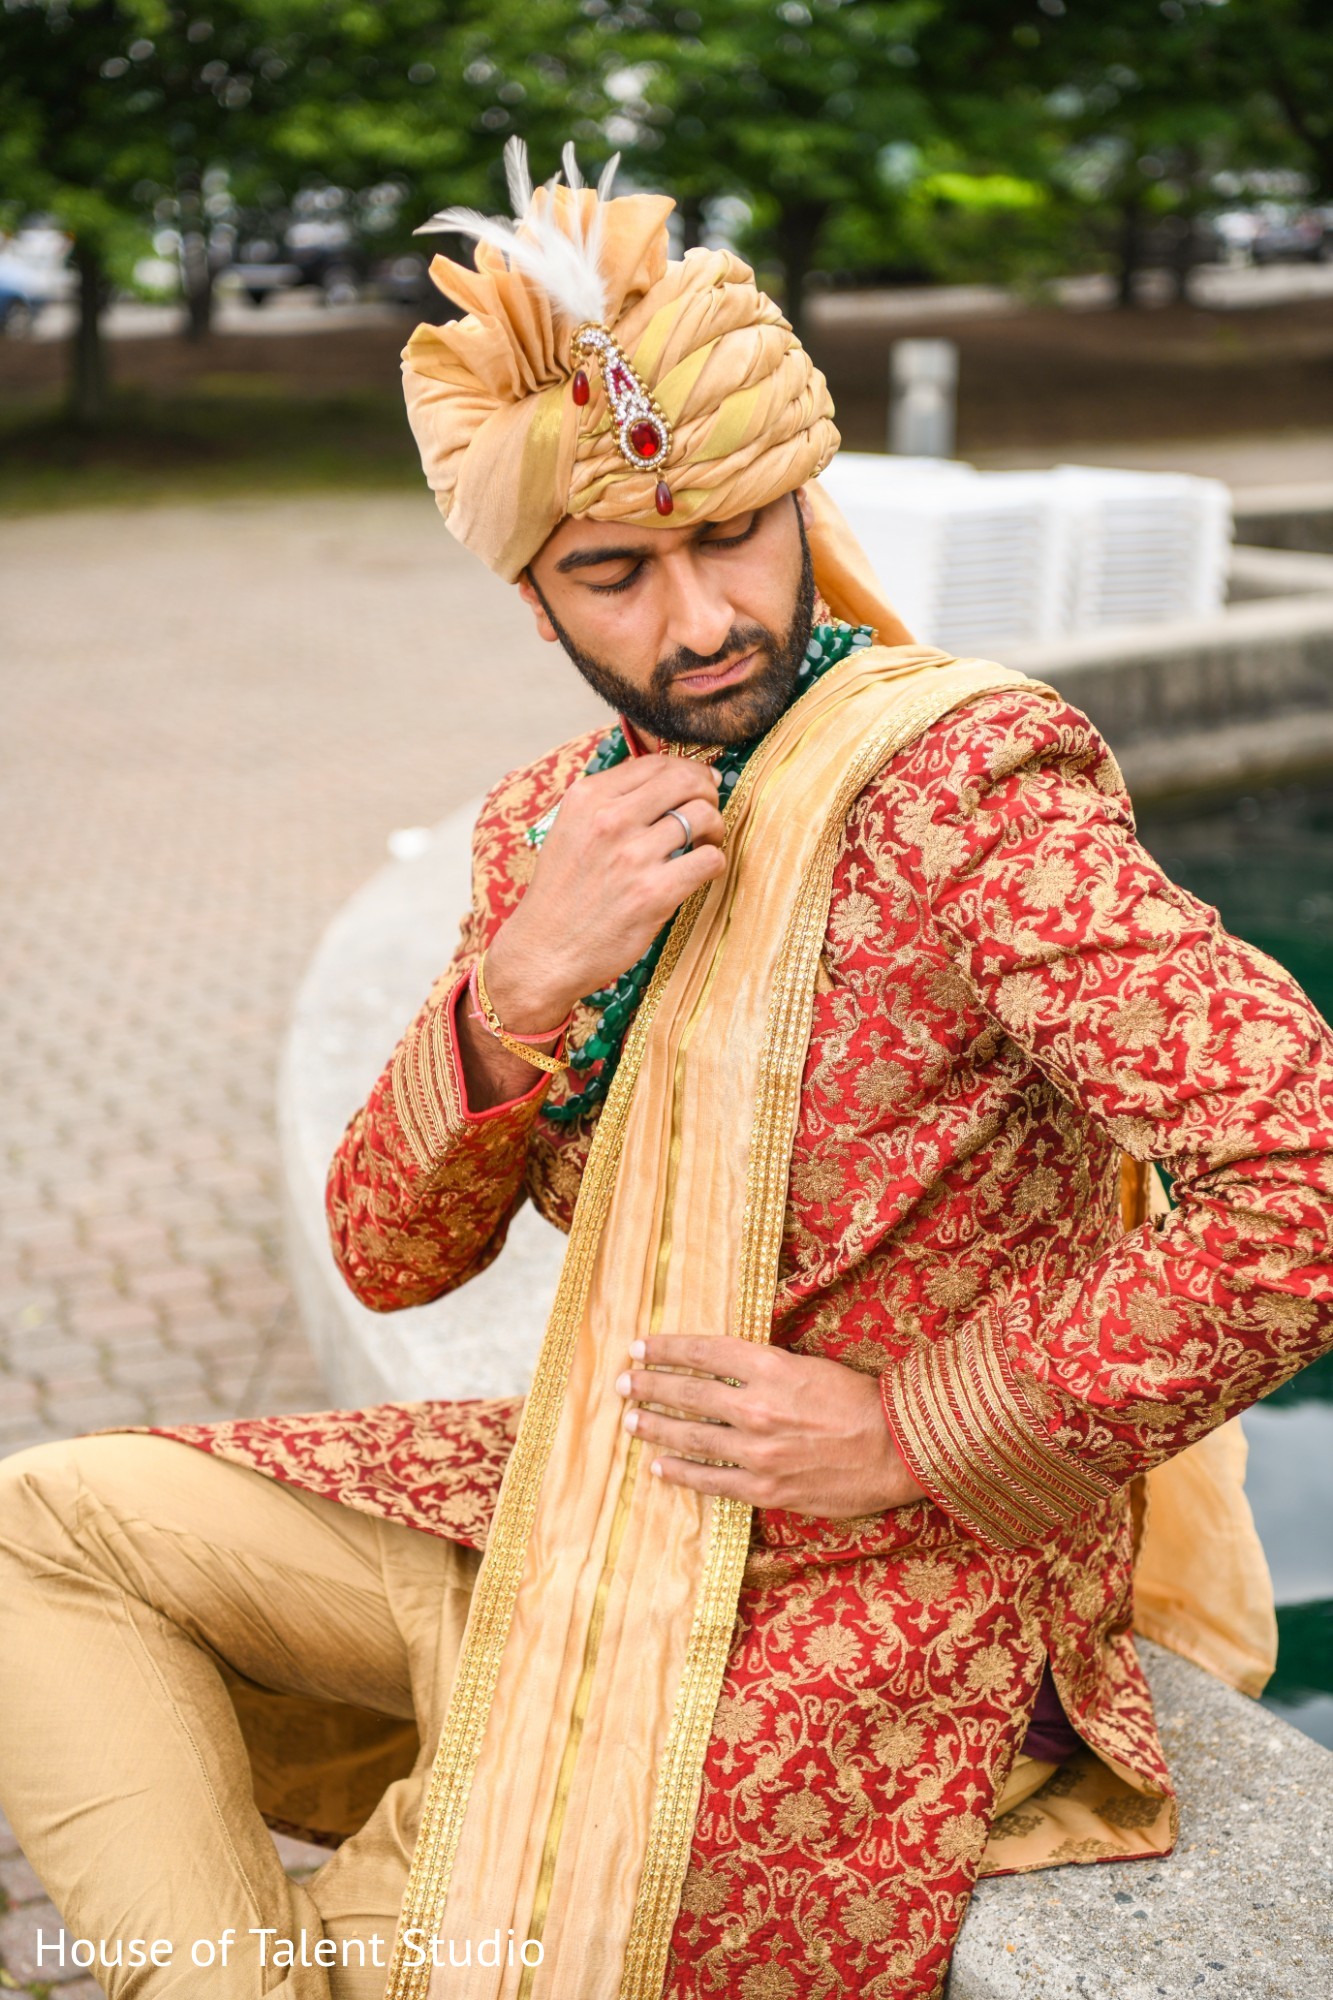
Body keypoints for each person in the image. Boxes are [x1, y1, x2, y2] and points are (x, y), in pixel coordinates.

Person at [1, 141, 1330, 2000]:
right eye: (615, 573)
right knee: (48, 1525)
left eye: (733, 536)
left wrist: (910, 1423)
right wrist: (519, 982)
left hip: (871, 1610)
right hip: (566, 1497)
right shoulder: (554, 827)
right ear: (536, 604)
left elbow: (1300, 1180)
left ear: (801, 503)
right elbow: (390, 1258)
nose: (698, 620)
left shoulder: (964, 795)